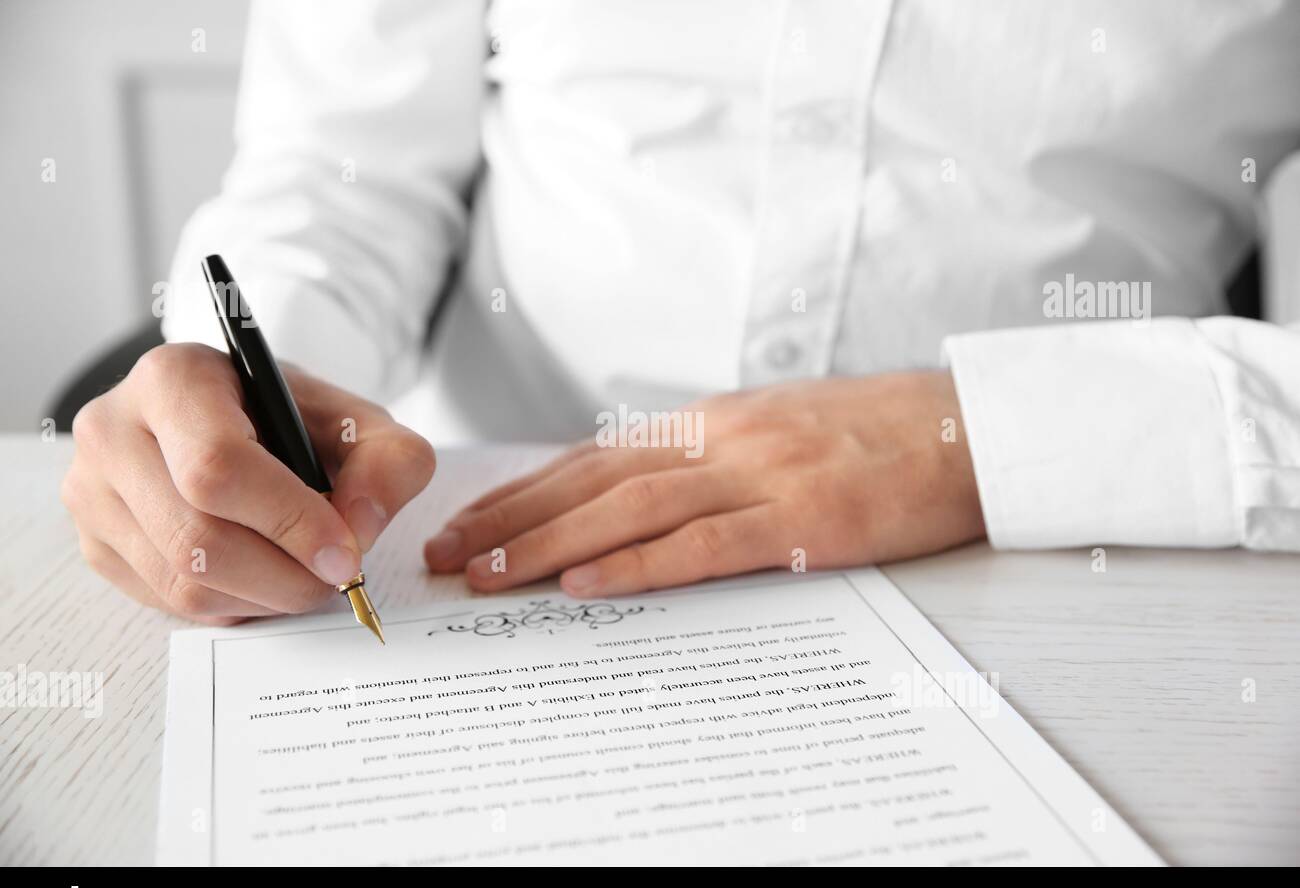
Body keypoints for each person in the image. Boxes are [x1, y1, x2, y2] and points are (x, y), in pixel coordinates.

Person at [61, 0, 1300, 625]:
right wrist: (249, 394)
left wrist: (983, 434)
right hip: (470, 555)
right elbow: (344, 173)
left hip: (1088, 570)